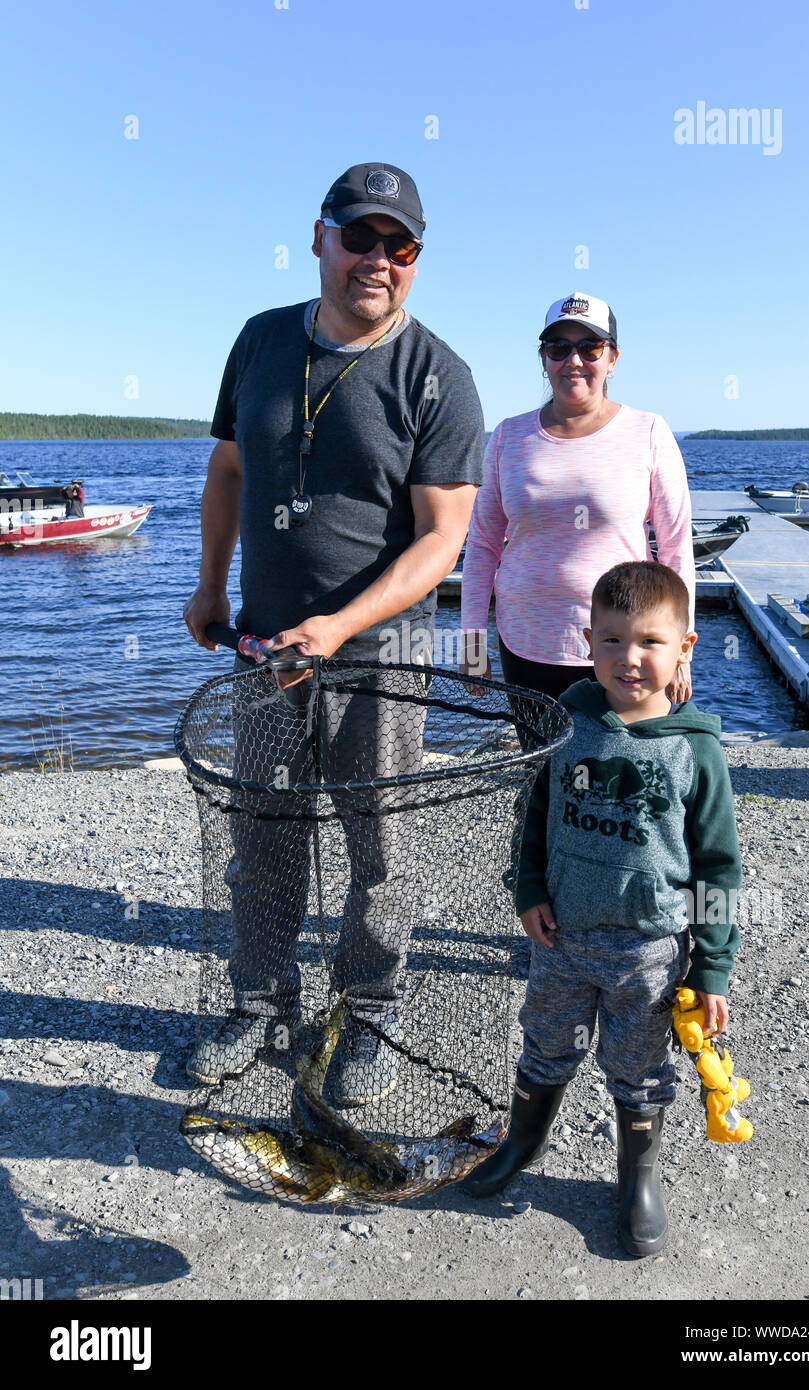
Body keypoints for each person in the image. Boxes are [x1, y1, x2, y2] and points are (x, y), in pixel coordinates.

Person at [183, 162, 485, 1105]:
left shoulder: (438, 374)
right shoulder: (262, 339)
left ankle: (368, 1011)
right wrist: (208, 587)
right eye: (360, 237)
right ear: (319, 238)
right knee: (264, 832)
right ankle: (261, 1003)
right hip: (268, 648)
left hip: (383, 655)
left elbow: (444, 539)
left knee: (379, 846)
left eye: (401, 247)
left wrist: (344, 622)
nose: (379, 260)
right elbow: (229, 470)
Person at [461, 560, 742, 1260]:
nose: (629, 658)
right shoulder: (569, 723)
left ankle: (636, 1178)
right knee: (544, 1044)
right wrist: (527, 889)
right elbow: (535, 812)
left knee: (639, 1067)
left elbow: (717, 867)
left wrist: (712, 968)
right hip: (561, 939)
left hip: (649, 954)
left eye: (649, 641)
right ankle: (522, 1142)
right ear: (588, 642)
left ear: (684, 649)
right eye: (612, 640)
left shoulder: (696, 751)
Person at [461, 293, 695, 705]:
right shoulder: (508, 436)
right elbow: (481, 545)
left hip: (625, 644)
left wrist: (679, 650)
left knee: (619, 762)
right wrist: (472, 640)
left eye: (590, 347)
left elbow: (676, 547)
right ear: (544, 359)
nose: (574, 360)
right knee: (541, 762)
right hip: (525, 640)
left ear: (613, 359)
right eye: (559, 348)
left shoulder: (650, 431)